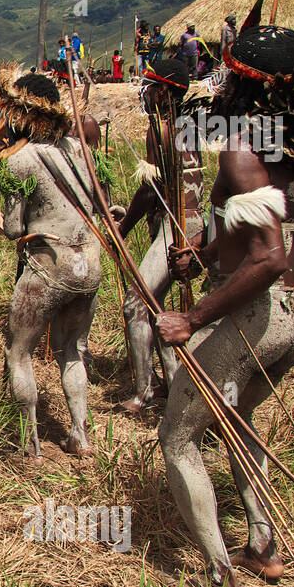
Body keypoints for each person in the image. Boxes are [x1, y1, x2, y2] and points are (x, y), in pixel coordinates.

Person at [157, 23, 294, 587]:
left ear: (242, 82)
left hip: (256, 314)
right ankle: (263, 548)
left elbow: (268, 258)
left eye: (226, 73)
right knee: (240, 418)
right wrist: (202, 253)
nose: (218, 84)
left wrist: (193, 318)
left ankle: (218, 575)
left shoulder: (245, 146)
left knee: (177, 436)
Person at [0, 70, 100, 460]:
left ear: (21, 113)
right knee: (72, 350)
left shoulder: (20, 161)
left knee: (19, 353)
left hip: (47, 265)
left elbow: (11, 228)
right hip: (89, 263)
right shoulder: (82, 150)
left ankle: (30, 444)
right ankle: (80, 436)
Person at [113, 59, 201, 414]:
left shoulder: (162, 129)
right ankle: (174, 383)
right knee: (158, 309)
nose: (144, 93)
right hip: (192, 223)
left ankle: (145, 391)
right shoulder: (186, 124)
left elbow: (151, 190)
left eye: (150, 86)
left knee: (136, 304)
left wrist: (123, 227)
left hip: (175, 225)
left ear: (164, 91)